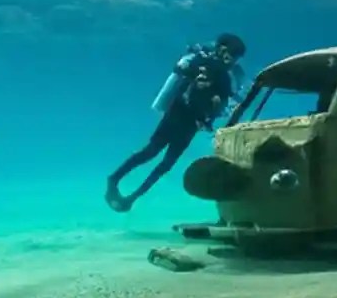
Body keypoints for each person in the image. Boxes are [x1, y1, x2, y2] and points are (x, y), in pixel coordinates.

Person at [105, 33, 247, 212]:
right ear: (223, 50)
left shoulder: (219, 73)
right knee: (155, 154)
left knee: (159, 158)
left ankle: (126, 192)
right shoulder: (206, 64)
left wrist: (210, 112)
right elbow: (186, 74)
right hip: (181, 117)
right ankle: (118, 184)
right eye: (233, 56)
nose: (233, 61)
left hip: (189, 120)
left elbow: (222, 100)